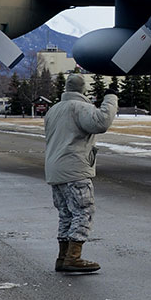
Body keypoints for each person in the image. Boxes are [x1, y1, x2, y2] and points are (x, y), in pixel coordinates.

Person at [44, 73, 118, 273]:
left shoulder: (53, 110)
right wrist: (110, 98)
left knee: (66, 214)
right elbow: (101, 122)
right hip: (74, 168)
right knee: (84, 211)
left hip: (54, 170)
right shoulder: (79, 107)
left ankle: (63, 256)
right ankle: (73, 257)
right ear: (82, 89)